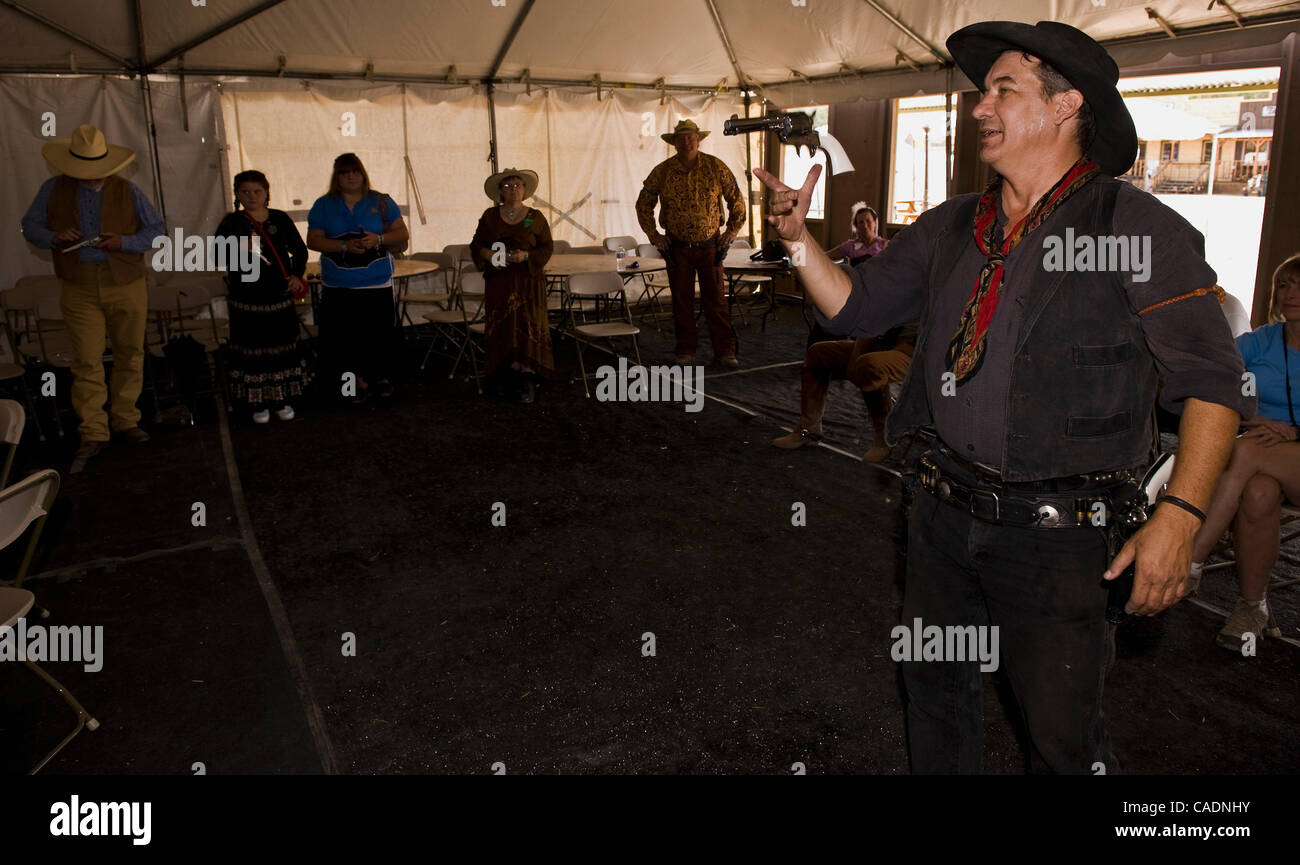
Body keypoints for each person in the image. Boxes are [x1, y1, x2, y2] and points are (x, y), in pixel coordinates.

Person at [756, 21, 1252, 773]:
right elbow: (852, 308)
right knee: (936, 700)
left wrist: (1179, 518)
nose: (979, 105)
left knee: (1061, 739)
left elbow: (1213, 383)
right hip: (941, 517)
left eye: (1003, 88)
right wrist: (797, 239)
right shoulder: (954, 224)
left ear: (1064, 107)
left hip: (1061, 542)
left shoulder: (1137, 228)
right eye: (981, 90)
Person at [20, 124, 165, 469]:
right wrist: (53, 236)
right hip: (77, 282)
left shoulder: (128, 190)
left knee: (130, 351)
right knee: (86, 358)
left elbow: (157, 230)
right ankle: (94, 431)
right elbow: (30, 226)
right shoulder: (52, 189)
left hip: (126, 280)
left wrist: (124, 243)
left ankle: (126, 419)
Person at [1187, 254, 1300, 650]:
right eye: (1284, 284)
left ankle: (1192, 557)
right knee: (1258, 492)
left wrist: (1292, 431)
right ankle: (1252, 608)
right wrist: (1251, 421)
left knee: (1245, 454)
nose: (1290, 294)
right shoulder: (1262, 341)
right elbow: (1216, 379)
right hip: (1261, 450)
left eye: (1299, 285)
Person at [636, 119, 746, 368]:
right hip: (677, 247)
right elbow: (643, 203)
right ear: (674, 143)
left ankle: (724, 351)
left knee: (716, 301)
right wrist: (654, 235)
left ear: (698, 139)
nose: (686, 141)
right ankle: (685, 350)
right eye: (681, 138)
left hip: (711, 246)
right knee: (681, 301)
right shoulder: (662, 171)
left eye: (690, 137)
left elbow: (737, 200)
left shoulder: (716, 166)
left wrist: (731, 232)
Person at [306, 153, 408, 402]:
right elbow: (313, 240)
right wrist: (343, 247)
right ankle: (352, 385)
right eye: (344, 172)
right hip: (338, 284)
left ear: (363, 174)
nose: (350, 176)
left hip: (376, 282)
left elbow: (402, 233)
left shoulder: (381, 201)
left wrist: (379, 239)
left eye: (355, 171)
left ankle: (379, 378)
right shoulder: (323, 204)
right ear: (336, 177)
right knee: (344, 339)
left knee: (378, 335)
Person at [215, 170, 312, 423]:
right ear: (237, 194)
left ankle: (282, 399)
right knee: (252, 351)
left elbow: (300, 251)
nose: (251, 196)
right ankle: (258, 402)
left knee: (281, 348)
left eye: (257, 191)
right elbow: (217, 258)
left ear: (267, 192)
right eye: (245, 192)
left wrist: (295, 275)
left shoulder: (279, 218)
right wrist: (238, 249)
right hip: (246, 300)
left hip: (278, 297)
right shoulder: (230, 223)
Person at [469, 168, 554, 404]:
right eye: (508, 186)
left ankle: (527, 376)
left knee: (528, 325)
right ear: (500, 191)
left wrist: (526, 257)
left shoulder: (536, 217)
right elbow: (476, 245)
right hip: (500, 284)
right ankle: (505, 375)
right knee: (502, 326)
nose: (513, 189)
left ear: (525, 190)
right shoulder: (489, 216)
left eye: (518, 185)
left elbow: (547, 248)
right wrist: (488, 254)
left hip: (528, 284)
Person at [771, 328, 915, 462]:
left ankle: (885, 436)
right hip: (883, 342)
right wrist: (856, 355)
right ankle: (808, 429)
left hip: (915, 352)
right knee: (819, 353)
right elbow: (871, 323)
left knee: (870, 365)